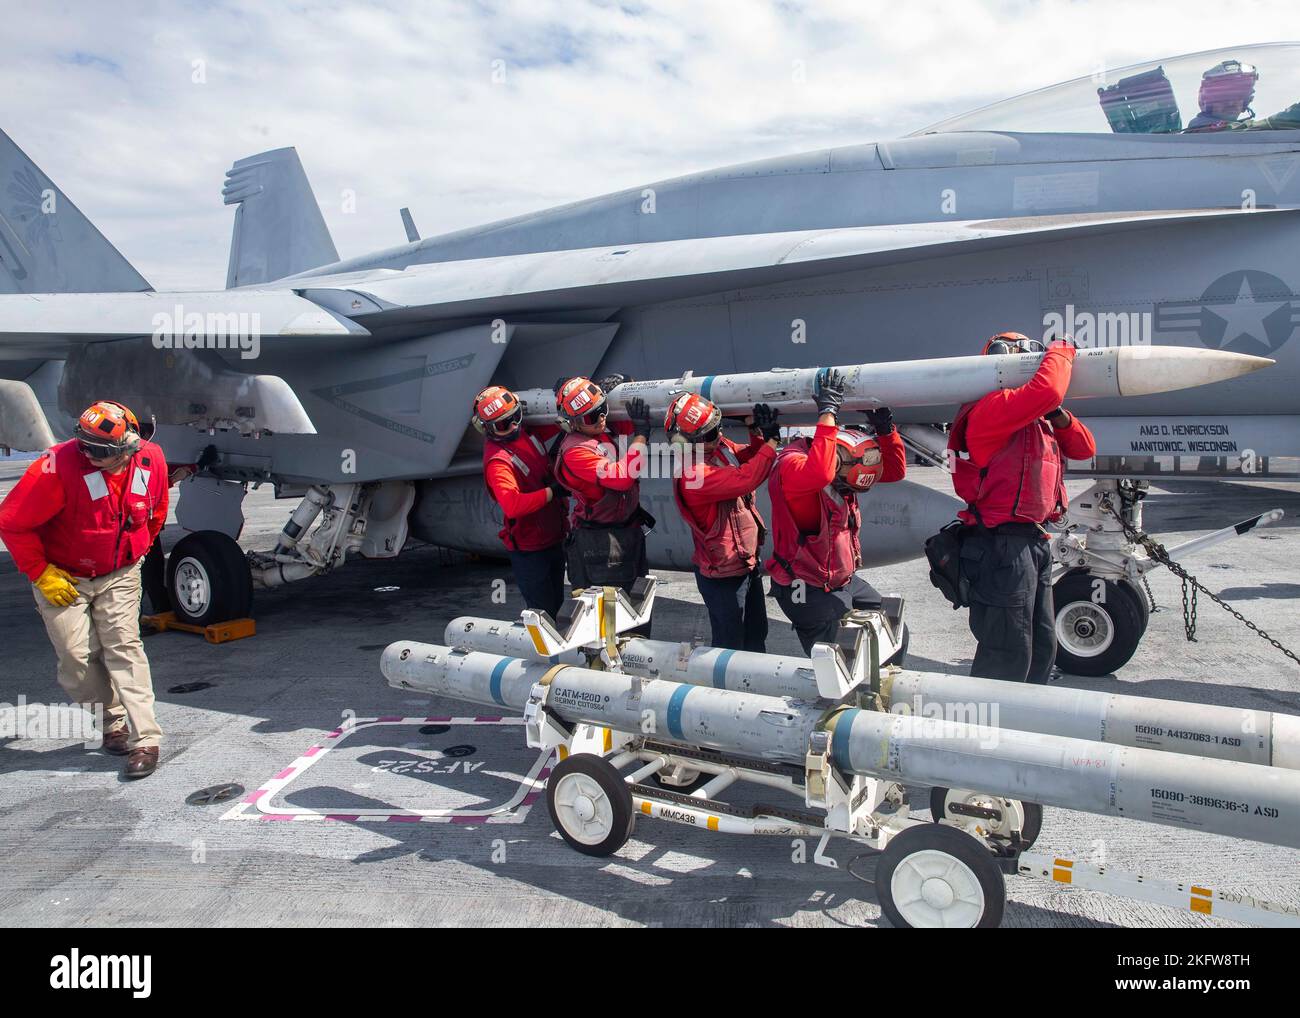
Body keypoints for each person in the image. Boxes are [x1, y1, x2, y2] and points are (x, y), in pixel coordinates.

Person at [0, 401, 169, 778]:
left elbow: (156, 510)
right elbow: (11, 523)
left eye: (100, 450)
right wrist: (41, 573)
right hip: (62, 577)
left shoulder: (150, 459)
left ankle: (145, 739)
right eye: (84, 445)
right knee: (77, 660)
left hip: (119, 574)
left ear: (128, 447)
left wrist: (134, 552)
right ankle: (111, 721)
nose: (89, 455)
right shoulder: (58, 466)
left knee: (124, 648)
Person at [947, 333, 1097, 683]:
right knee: (1006, 652)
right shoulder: (989, 409)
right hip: (1002, 548)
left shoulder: (1034, 420)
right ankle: (987, 730)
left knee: (1042, 645)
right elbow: (1048, 390)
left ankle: (1027, 719)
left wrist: (1057, 414)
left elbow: (1084, 448)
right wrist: (1061, 349)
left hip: (1031, 543)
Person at [766, 368, 905, 654]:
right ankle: (841, 699)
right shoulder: (793, 466)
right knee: (843, 658)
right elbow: (819, 473)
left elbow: (894, 471)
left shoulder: (844, 468)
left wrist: (885, 431)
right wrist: (828, 411)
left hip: (840, 581)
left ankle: (886, 688)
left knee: (892, 631)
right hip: (804, 587)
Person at [666, 393, 779, 651]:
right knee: (730, 645)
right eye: (709, 434)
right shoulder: (693, 473)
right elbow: (745, 478)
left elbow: (749, 456)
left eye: (718, 428)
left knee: (755, 634)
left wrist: (755, 430)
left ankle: (754, 689)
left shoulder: (717, 447)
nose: (717, 436)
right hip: (723, 575)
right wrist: (773, 442)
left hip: (744, 564)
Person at [553, 375, 655, 632]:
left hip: (625, 534)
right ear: (573, 423)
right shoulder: (576, 450)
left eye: (603, 410)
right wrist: (641, 436)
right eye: (591, 416)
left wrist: (620, 386)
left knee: (637, 611)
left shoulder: (599, 431)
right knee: (613, 621)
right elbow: (621, 479)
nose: (600, 418)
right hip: (600, 545)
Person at [473, 385, 569, 619]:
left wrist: (566, 391)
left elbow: (565, 420)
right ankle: (542, 657)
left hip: (553, 537)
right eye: (504, 424)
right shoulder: (498, 461)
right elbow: (513, 505)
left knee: (557, 602)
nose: (514, 425)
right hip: (530, 549)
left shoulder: (525, 432)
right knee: (543, 614)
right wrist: (552, 492)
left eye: (516, 417)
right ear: (486, 429)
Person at [1185, 60, 1258, 132]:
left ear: (1246, 101)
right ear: (1208, 101)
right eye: (1224, 98)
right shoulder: (1201, 129)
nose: (1230, 103)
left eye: (1237, 96)